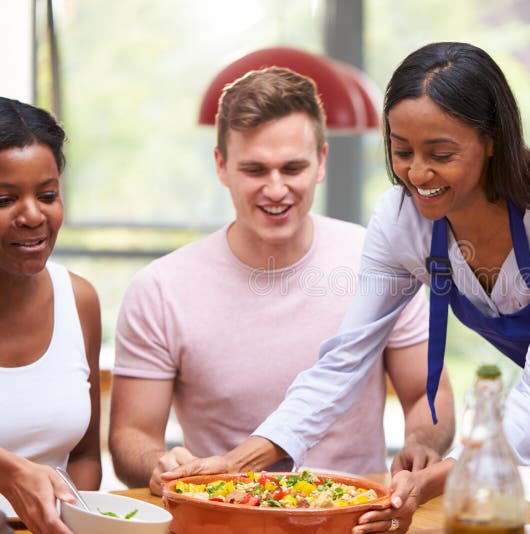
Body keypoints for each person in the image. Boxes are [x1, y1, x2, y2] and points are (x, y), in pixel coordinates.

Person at [163, 42, 530, 530]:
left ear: (492, 141)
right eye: (402, 151)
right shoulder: (402, 221)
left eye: (441, 154)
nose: (417, 173)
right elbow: (345, 360)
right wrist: (241, 460)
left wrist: (447, 475)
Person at [108, 67, 455, 497]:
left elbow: (428, 393)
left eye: (293, 168)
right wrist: (158, 465)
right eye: (255, 170)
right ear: (221, 166)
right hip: (226, 518)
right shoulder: (160, 288)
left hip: (356, 516)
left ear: (322, 162)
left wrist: (421, 442)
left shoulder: (380, 262)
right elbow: (130, 437)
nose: (276, 189)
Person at [0, 97, 102, 533]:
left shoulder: (78, 300)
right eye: (4, 199)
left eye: (47, 195)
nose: (32, 216)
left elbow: (84, 455)